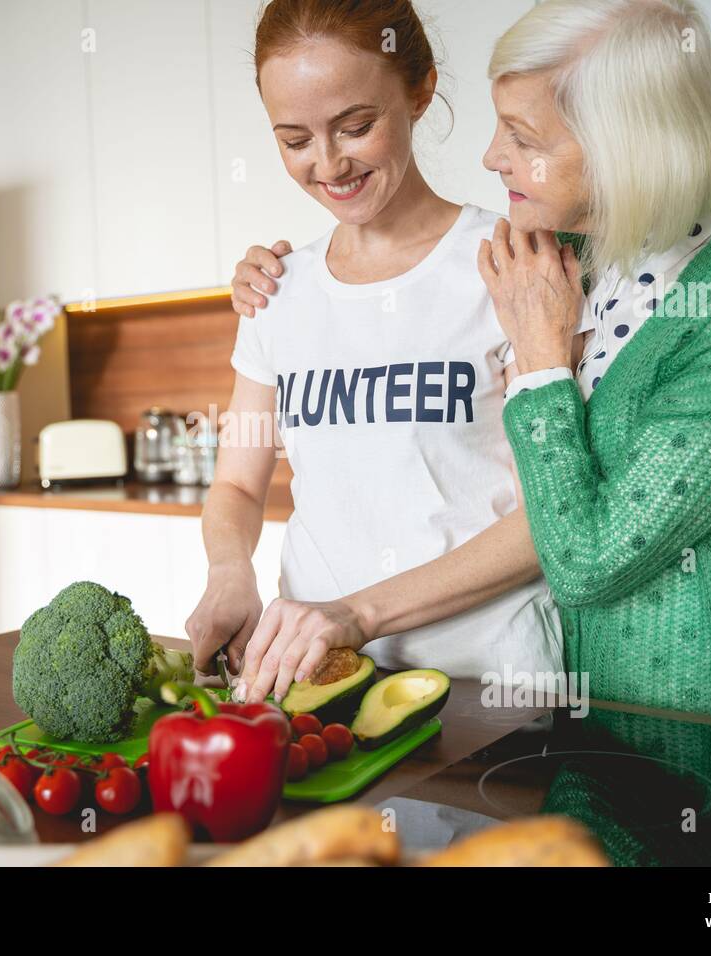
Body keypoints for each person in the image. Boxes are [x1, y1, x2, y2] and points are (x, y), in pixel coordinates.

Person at [231, 0, 711, 732]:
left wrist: (537, 362)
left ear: (627, 148)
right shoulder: (574, 242)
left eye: (524, 137)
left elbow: (585, 556)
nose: (491, 157)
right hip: (597, 732)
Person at [187, 0, 588, 706]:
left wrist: (356, 614)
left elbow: (549, 519)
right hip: (313, 685)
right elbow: (239, 486)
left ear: (420, 90)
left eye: (356, 126)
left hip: (486, 690)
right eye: (294, 139)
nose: (329, 163)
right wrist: (229, 573)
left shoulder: (511, 264)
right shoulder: (276, 291)